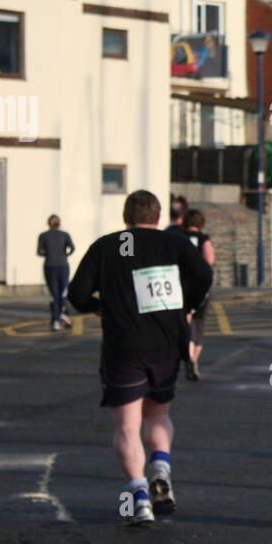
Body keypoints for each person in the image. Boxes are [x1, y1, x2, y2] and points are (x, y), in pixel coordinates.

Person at [68, 190, 213, 525]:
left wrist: (97, 306)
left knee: (127, 426)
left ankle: (140, 498)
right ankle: (161, 469)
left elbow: (76, 294)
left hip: (123, 345)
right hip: (166, 343)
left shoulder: (107, 246)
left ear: (125, 217)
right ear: (158, 217)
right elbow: (204, 275)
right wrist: (185, 305)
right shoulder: (175, 244)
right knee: (159, 415)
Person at [182, 209, 216, 381]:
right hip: (200, 285)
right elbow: (209, 260)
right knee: (200, 323)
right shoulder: (203, 238)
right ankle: (194, 358)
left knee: (187, 319)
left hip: (182, 284)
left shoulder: (178, 237)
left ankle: (188, 357)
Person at [37, 215, 75, 331]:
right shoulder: (65, 235)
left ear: (49, 224)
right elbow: (72, 248)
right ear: (59, 223)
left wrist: (48, 255)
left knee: (54, 295)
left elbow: (39, 252)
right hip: (63, 266)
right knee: (63, 292)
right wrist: (64, 255)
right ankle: (63, 314)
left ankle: (55, 320)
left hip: (49, 266)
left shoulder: (43, 236)